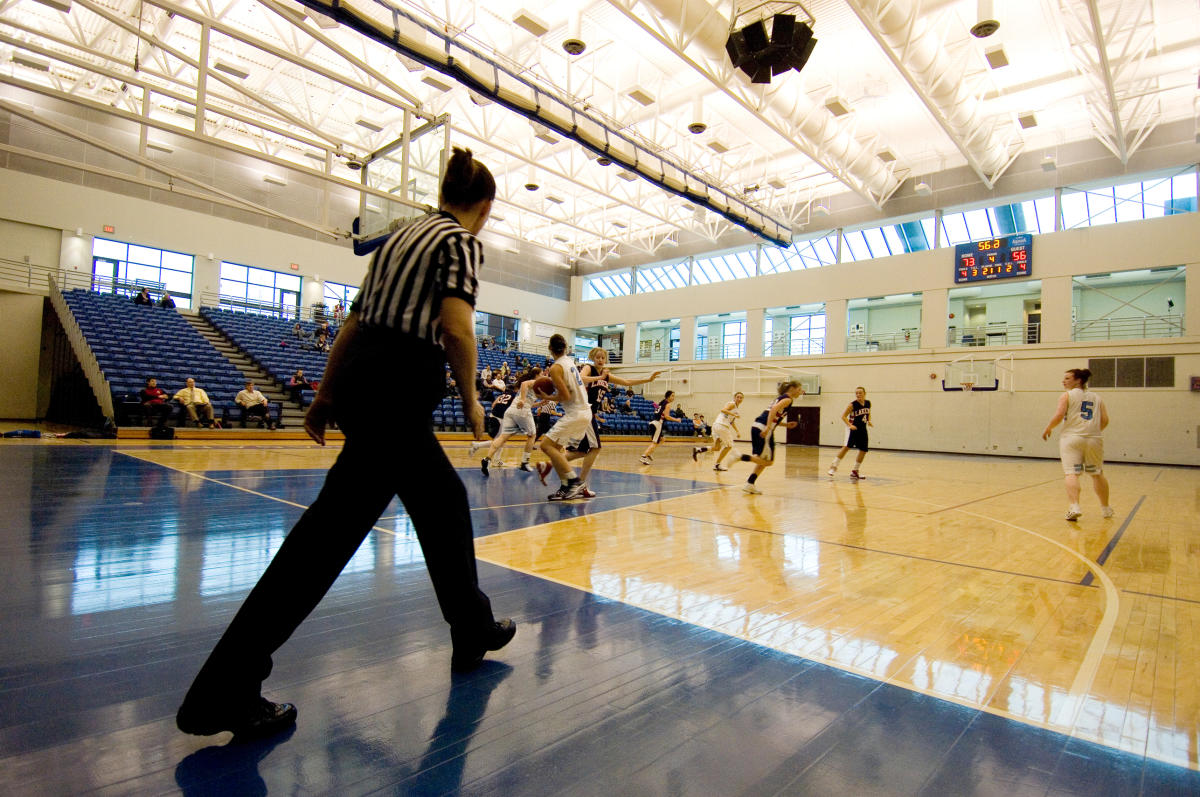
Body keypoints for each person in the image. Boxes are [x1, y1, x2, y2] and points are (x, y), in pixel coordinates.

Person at [175, 146, 514, 740]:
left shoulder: (402, 236)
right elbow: (457, 327)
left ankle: (472, 628)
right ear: (483, 207)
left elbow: (354, 323)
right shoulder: (460, 242)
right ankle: (225, 688)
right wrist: (472, 399)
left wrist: (328, 393)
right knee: (326, 540)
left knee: (441, 504)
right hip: (398, 383)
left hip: (363, 377)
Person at [544, 348, 660, 495]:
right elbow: (580, 379)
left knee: (581, 451)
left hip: (588, 413)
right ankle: (580, 484)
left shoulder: (605, 375)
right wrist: (599, 378)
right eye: (598, 357)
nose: (600, 360)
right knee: (596, 448)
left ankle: (554, 463)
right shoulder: (589, 368)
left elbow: (627, 381)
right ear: (593, 358)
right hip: (584, 411)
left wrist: (648, 379)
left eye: (603, 357)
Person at [1041, 368, 1113, 521]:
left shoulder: (1067, 395)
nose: (1064, 381)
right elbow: (1105, 420)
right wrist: (1092, 430)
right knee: (1097, 473)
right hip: (1094, 438)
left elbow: (1059, 415)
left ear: (1078, 380)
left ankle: (1074, 507)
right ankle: (1106, 509)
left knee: (1071, 473)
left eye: (1067, 378)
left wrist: (1049, 427)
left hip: (1071, 438)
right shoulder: (1097, 397)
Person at [537, 334, 595, 500]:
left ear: (549, 348)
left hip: (576, 412)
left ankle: (574, 481)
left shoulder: (556, 368)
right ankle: (565, 486)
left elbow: (564, 396)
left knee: (545, 446)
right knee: (556, 449)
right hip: (583, 411)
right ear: (566, 348)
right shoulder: (569, 362)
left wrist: (547, 397)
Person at [473, 367, 545, 474]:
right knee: (532, 435)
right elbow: (524, 384)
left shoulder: (535, 388)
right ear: (537, 375)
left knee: (502, 438)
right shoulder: (533, 382)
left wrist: (538, 404)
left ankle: (486, 459)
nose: (543, 375)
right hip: (522, 411)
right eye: (542, 373)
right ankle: (525, 462)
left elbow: (528, 402)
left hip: (511, 411)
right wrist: (523, 399)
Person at [736, 381, 802, 494]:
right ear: (792, 388)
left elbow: (773, 415)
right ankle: (741, 457)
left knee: (763, 460)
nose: (801, 392)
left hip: (757, 425)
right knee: (769, 461)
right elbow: (773, 410)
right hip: (763, 428)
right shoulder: (788, 399)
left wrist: (786, 425)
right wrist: (767, 428)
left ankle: (750, 483)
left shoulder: (782, 397)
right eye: (800, 389)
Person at [828, 386, 872, 480]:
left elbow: (868, 413)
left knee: (863, 450)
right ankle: (833, 467)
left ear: (864, 393)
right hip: (853, 428)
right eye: (856, 393)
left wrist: (869, 420)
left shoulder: (868, 403)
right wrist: (850, 425)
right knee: (846, 447)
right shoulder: (852, 405)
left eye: (860, 393)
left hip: (863, 429)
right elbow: (843, 416)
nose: (858, 394)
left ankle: (855, 471)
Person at [693, 391, 744, 470]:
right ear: (734, 398)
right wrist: (734, 415)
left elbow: (732, 422)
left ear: (742, 399)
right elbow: (723, 410)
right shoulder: (732, 404)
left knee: (717, 447)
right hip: (721, 426)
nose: (739, 398)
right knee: (729, 446)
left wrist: (737, 431)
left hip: (716, 426)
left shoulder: (736, 408)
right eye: (738, 397)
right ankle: (717, 465)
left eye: (741, 397)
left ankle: (698, 449)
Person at [639, 390, 678, 465]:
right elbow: (667, 416)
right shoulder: (668, 404)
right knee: (654, 443)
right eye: (672, 396)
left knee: (662, 439)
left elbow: (657, 407)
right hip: (658, 424)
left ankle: (649, 453)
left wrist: (655, 405)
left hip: (653, 423)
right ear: (668, 396)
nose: (674, 397)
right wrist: (676, 420)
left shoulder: (662, 402)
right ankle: (643, 457)